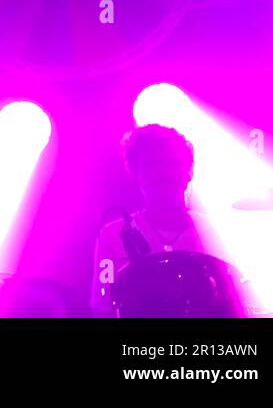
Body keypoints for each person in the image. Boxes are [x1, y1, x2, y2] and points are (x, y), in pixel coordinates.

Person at [90, 124, 225, 315]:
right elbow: (103, 306)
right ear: (135, 175)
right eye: (152, 164)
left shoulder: (216, 232)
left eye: (171, 163)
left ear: (189, 173)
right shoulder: (113, 235)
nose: (162, 173)